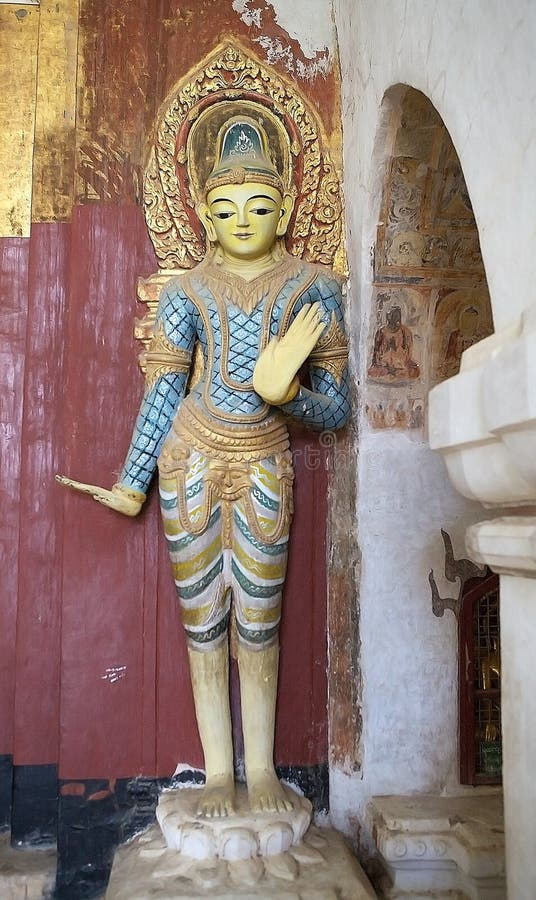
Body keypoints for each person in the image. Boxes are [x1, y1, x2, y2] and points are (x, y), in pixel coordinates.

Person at [58, 116, 350, 819]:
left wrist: (289, 394)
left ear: (284, 211)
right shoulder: (188, 289)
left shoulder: (313, 287)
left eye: (258, 207)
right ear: (204, 218)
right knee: (203, 623)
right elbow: (164, 387)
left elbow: (337, 411)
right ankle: (219, 772)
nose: (242, 220)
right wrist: (134, 480)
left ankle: (262, 771)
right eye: (225, 209)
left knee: (259, 619)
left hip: (264, 465)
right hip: (188, 455)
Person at [368, 305, 419, 381]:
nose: (393, 318)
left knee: (415, 371)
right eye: (391, 315)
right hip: (384, 366)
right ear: (387, 317)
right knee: (372, 372)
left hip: (401, 366)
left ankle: (396, 373)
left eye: (396, 316)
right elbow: (376, 351)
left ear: (399, 317)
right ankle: (392, 373)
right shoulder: (381, 331)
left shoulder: (405, 332)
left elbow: (408, 352)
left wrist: (398, 358)